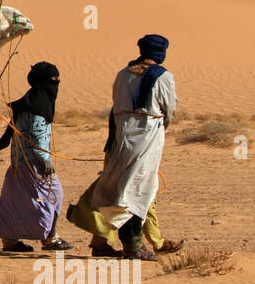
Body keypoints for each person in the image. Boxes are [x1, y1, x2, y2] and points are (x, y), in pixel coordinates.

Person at [89, 35, 177, 260]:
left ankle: (101, 243)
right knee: (138, 192)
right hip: (146, 140)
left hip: (119, 139)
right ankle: (133, 247)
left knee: (116, 190)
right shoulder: (164, 77)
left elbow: (115, 105)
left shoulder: (122, 74)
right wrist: (156, 127)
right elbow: (169, 110)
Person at [0, 61, 73, 252]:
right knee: (55, 194)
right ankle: (50, 238)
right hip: (33, 164)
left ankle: (10, 241)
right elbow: (37, 132)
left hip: (18, 162)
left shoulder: (29, 98)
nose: (57, 82)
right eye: (53, 79)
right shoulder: (40, 101)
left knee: (16, 200)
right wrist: (44, 159)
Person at [67, 108, 183, 256]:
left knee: (112, 197)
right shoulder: (134, 103)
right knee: (140, 195)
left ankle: (100, 243)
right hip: (129, 153)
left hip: (123, 152)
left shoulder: (124, 99)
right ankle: (154, 243)